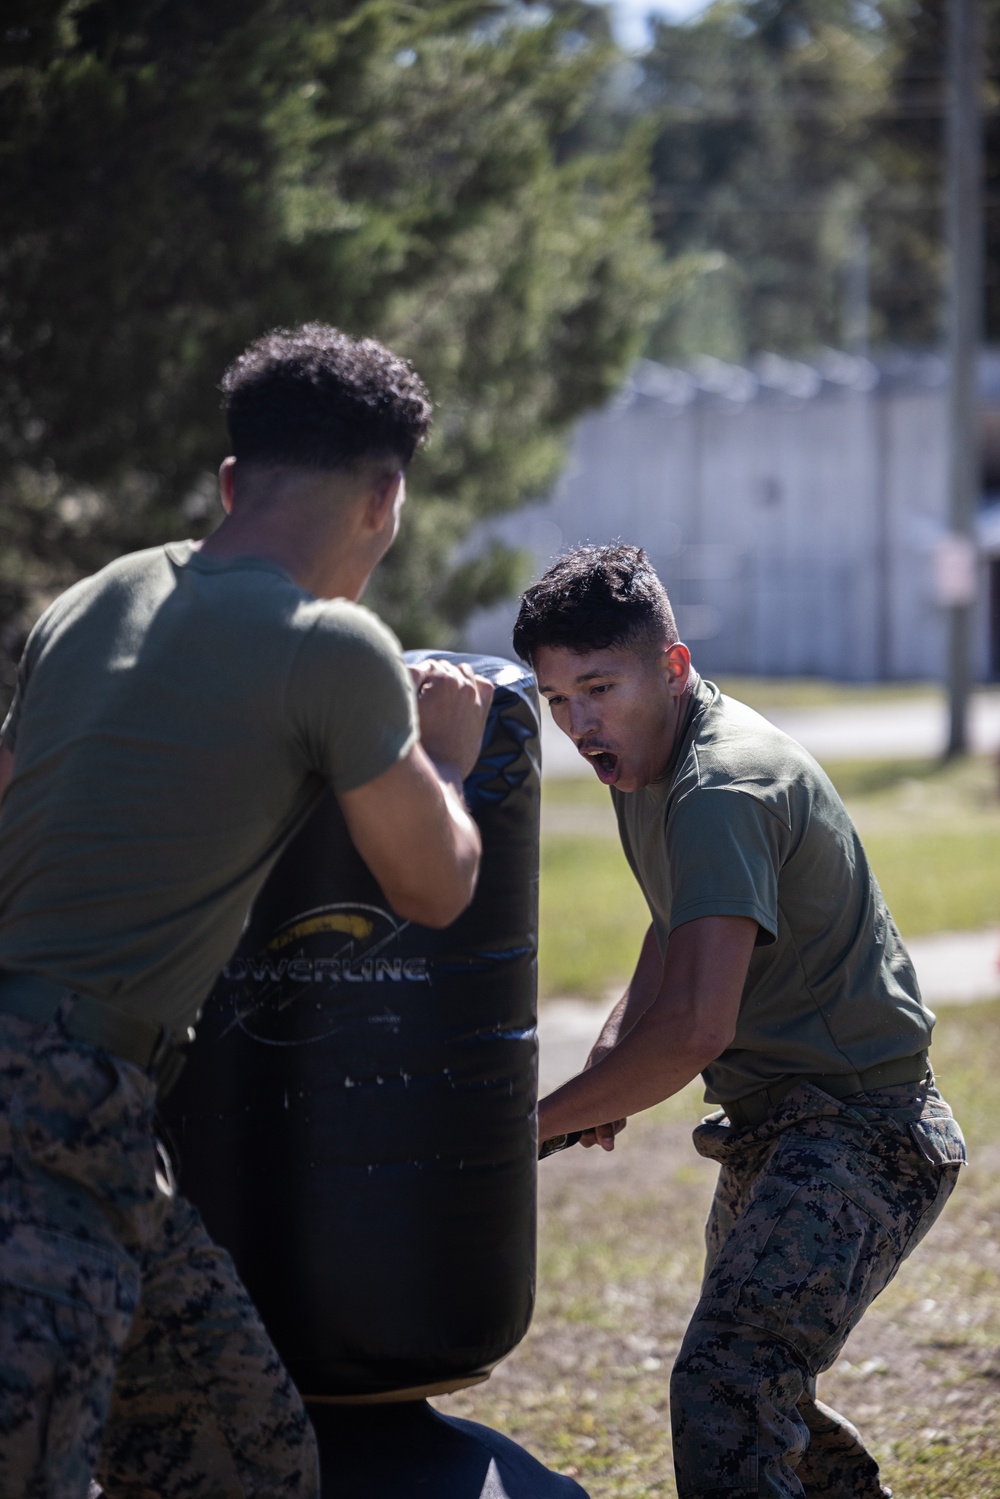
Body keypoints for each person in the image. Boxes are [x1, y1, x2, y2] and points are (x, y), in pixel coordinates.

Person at [0, 324, 493, 1497]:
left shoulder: (92, 598)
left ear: (230, 482)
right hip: (48, 1111)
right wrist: (452, 760)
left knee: (245, 1446)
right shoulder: (331, 647)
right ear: (386, 499)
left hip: (97, 1118)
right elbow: (434, 885)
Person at [515, 544, 965, 1499]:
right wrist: (609, 1049)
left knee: (728, 1381)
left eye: (599, 686)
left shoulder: (721, 783)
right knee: (758, 1384)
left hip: (862, 1130)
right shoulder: (656, 764)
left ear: (672, 668)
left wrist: (527, 1127)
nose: (579, 722)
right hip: (787, 1126)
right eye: (558, 699)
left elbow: (693, 1031)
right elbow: (682, 912)